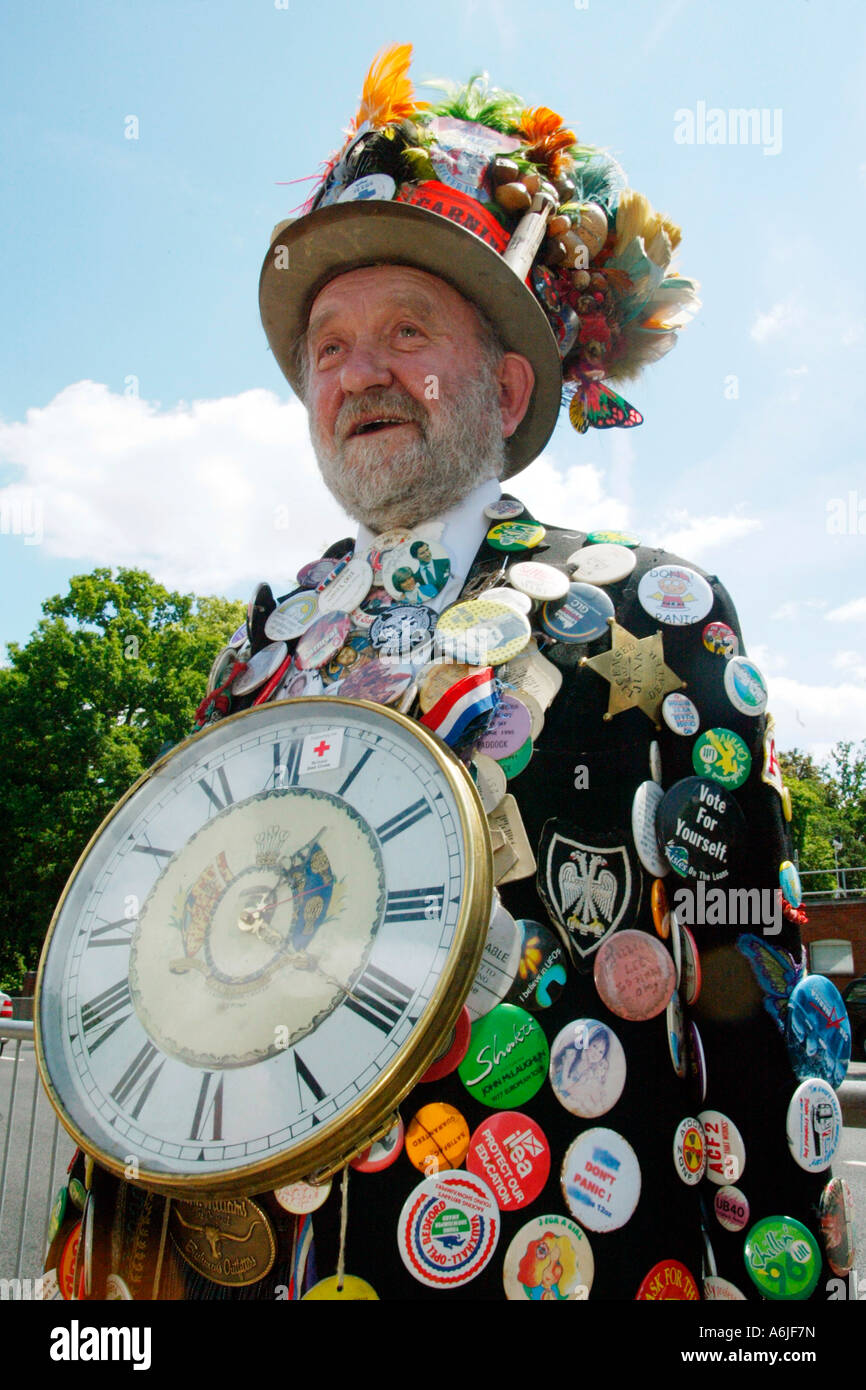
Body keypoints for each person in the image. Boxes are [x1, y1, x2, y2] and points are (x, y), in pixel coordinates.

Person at [67, 45, 831, 1303]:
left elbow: (744, 981)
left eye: (404, 333)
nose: (355, 370)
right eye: (327, 346)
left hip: (552, 1260)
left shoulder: (653, 610)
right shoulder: (256, 654)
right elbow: (146, 971)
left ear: (506, 382)